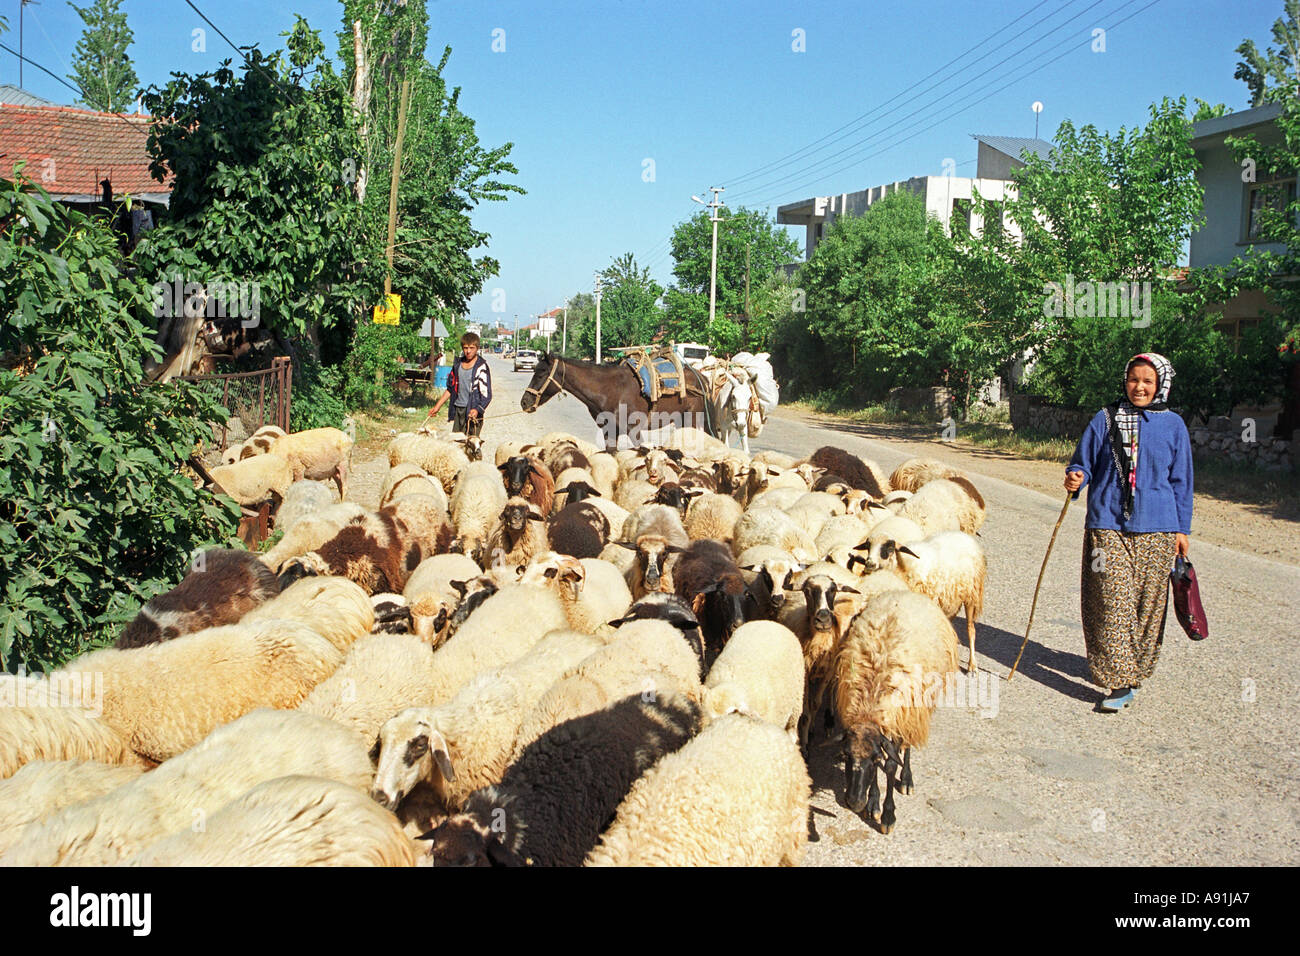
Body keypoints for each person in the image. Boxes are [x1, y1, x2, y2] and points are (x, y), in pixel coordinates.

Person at [1064, 352, 1193, 713]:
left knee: (1148, 606)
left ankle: (1135, 667)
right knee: (1112, 600)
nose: (1139, 387)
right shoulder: (1105, 420)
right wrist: (1076, 477)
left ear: (1160, 385)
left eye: (1147, 382)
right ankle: (1120, 681)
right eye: (1134, 380)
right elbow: (1082, 462)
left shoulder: (1174, 426)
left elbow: (1182, 482)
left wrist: (1183, 529)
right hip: (1107, 524)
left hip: (1160, 527)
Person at [427, 332, 491, 437]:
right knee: (456, 442)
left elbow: (486, 394)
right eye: (465, 348)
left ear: (477, 348)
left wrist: (477, 409)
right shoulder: (457, 365)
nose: (468, 351)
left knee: (471, 443)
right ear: (462, 348)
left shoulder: (482, 367)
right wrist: (437, 407)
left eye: (472, 348)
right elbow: (450, 389)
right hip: (458, 409)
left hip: (472, 411)